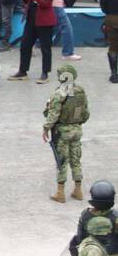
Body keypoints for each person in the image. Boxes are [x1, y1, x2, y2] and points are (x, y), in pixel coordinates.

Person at [43, 63, 89, 204]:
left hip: (62, 132)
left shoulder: (59, 93)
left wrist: (46, 128)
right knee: (76, 160)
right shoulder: (80, 91)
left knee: (62, 161)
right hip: (76, 130)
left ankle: (60, 192)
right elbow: (86, 113)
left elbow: (53, 114)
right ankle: (78, 190)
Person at [11, 0, 56, 82]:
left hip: (44, 21)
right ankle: (23, 70)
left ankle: (45, 72)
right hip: (31, 19)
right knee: (25, 45)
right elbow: (28, 0)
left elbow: (46, 4)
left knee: (45, 48)